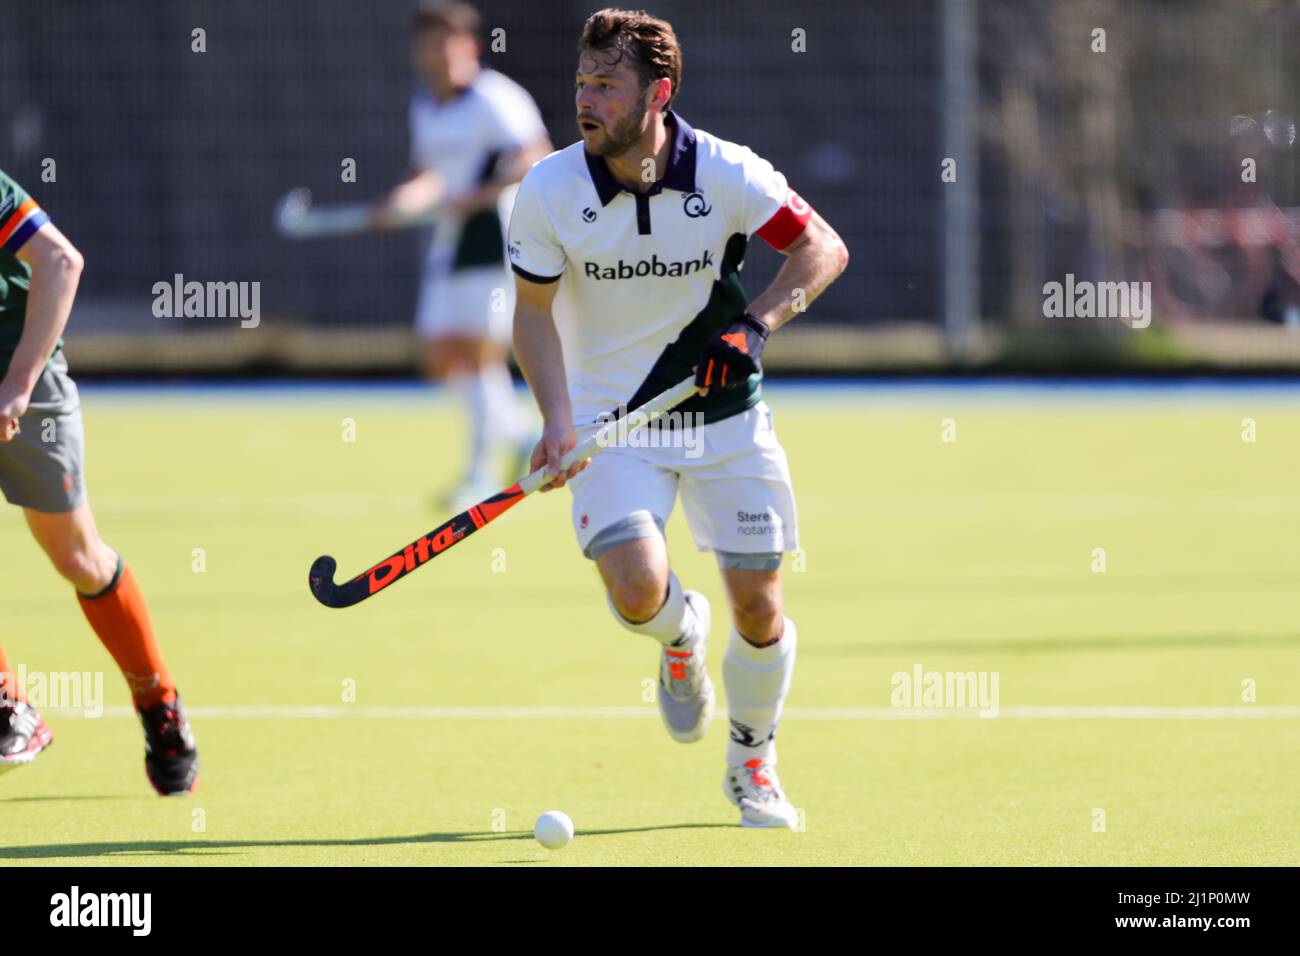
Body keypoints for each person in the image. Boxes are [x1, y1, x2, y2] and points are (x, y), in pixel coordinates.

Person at [507, 9, 848, 827]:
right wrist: (556, 420)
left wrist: (755, 324)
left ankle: (752, 763)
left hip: (725, 417)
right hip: (610, 422)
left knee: (761, 606)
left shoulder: (726, 172)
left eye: (606, 86)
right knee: (635, 591)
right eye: (581, 83)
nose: (586, 101)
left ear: (657, 94)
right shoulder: (551, 188)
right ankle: (678, 637)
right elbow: (530, 314)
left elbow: (821, 250)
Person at [0, 168, 198, 795]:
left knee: (78, 556)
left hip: (23, 378)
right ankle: (10, 705)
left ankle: (157, 699)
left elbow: (61, 261)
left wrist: (18, 385)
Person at [371, 0, 553, 510]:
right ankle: (516, 431)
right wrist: (397, 207)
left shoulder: (496, 98)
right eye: (429, 43)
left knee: (475, 352)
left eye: (447, 42)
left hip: (493, 238)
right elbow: (427, 177)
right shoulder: (426, 106)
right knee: (440, 356)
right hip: (451, 243)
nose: (438, 53)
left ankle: (480, 476)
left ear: (469, 47)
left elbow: (534, 154)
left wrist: (475, 196)